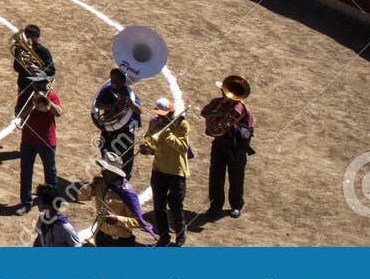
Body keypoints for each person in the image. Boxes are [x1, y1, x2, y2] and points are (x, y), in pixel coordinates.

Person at [202, 75, 255, 219]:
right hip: (219, 144)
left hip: (236, 148)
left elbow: (249, 130)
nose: (224, 94)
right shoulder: (216, 103)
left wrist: (234, 129)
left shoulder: (243, 110)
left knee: (236, 178)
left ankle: (236, 205)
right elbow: (204, 113)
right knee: (216, 177)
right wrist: (220, 113)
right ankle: (215, 205)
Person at [140, 98, 191, 246]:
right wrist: (147, 149)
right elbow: (152, 143)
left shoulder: (182, 124)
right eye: (160, 114)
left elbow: (183, 148)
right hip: (159, 170)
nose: (161, 117)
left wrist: (168, 134)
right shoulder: (155, 123)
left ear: (171, 112)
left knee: (175, 205)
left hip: (176, 172)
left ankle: (180, 235)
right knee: (159, 205)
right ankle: (164, 237)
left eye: (164, 115)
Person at [76, 153, 156, 246]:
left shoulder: (127, 194)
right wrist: (90, 186)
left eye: (107, 170)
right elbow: (81, 197)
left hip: (121, 242)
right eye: (102, 168)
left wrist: (117, 220)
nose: (103, 172)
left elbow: (138, 222)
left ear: (115, 172)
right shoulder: (100, 185)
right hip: (101, 236)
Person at [16, 75, 62, 213]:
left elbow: (59, 113)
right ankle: (26, 203)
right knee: (26, 172)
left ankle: (52, 203)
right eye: (35, 84)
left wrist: (47, 100)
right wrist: (31, 104)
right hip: (28, 141)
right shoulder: (25, 96)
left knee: (50, 172)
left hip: (47, 141)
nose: (37, 87)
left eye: (40, 84)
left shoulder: (52, 96)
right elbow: (19, 115)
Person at [91, 67, 143, 176]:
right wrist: (112, 106)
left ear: (123, 81)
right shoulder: (107, 90)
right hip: (109, 130)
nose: (113, 83)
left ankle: (124, 180)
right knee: (106, 154)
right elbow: (97, 104)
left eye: (116, 80)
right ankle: (107, 178)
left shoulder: (129, 94)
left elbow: (139, 111)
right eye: (111, 79)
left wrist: (130, 104)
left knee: (126, 157)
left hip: (125, 132)